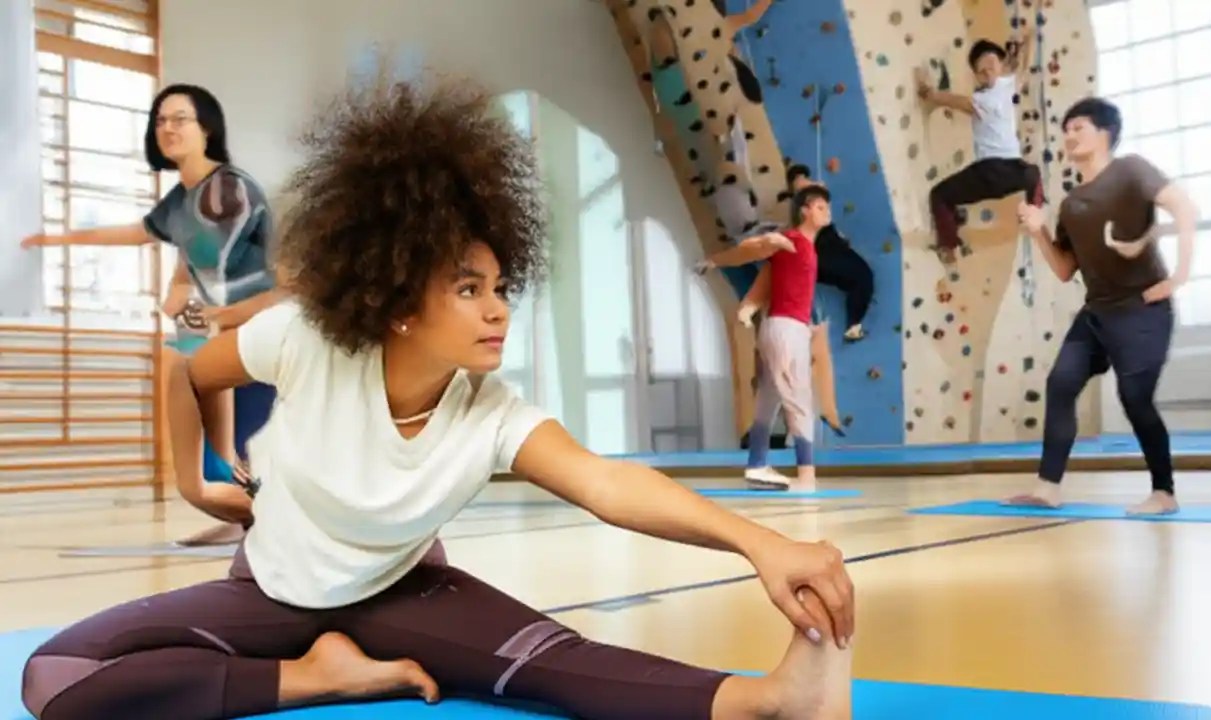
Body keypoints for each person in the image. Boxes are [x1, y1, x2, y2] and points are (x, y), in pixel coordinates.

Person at [21, 75, 854, 720]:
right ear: (398, 297)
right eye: (467, 288)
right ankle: (308, 678)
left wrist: (761, 545)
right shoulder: (306, 338)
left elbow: (609, 484)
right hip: (268, 593)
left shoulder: (487, 412)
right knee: (53, 677)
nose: (498, 307)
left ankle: (763, 701)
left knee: (556, 662)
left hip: (406, 594)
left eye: (500, 285)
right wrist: (201, 480)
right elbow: (190, 372)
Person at [22, 83, 286, 545]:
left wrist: (181, 290)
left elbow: (211, 263)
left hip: (253, 327)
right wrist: (59, 240)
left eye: (179, 118)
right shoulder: (181, 198)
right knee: (218, 454)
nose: (167, 128)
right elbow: (137, 233)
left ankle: (267, 519)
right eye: (161, 120)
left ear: (207, 129)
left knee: (229, 445)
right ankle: (246, 518)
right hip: (217, 328)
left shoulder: (227, 188)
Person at [1004, 97, 1195, 516]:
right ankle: (1047, 488)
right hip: (1097, 313)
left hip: (1143, 309)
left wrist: (1178, 277)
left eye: (1079, 128)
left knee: (1134, 397)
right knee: (1060, 384)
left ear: (1104, 132)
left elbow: (1184, 206)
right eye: (1066, 129)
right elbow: (1064, 269)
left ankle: (1164, 492)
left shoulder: (1131, 170)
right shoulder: (1072, 205)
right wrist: (1038, 233)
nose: (1069, 135)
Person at [697, 186, 830, 491]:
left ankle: (757, 465)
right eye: (821, 207)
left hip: (781, 328)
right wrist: (717, 260)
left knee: (768, 399)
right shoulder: (792, 240)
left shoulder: (802, 249)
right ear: (805, 211)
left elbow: (766, 281)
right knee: (798, 399)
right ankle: (806, 475)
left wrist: (747, 307)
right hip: (786, 329)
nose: (827, 212)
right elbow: (755, 247)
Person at [915, 34, 1041, 263]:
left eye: (991, 66)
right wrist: (931, 94)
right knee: (940, 195)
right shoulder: (985, 97)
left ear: (1000, 65)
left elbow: (1024, 63)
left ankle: (950, 240)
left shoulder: (1007, 84)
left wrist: (1024, 41)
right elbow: (955, 101)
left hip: (1004, 169)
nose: (987, 73)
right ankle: (950, 242)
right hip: (993, 172)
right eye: (981, 71)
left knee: (1032, 173)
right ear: (976, 75)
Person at [739, 164, 874, 343]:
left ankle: (853, 322)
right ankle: (853, 323)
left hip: (820, 251)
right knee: (861, 275)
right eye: (801, 179)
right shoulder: (804, 201)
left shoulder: (801, 206)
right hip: (822, 249)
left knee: (853, 276)